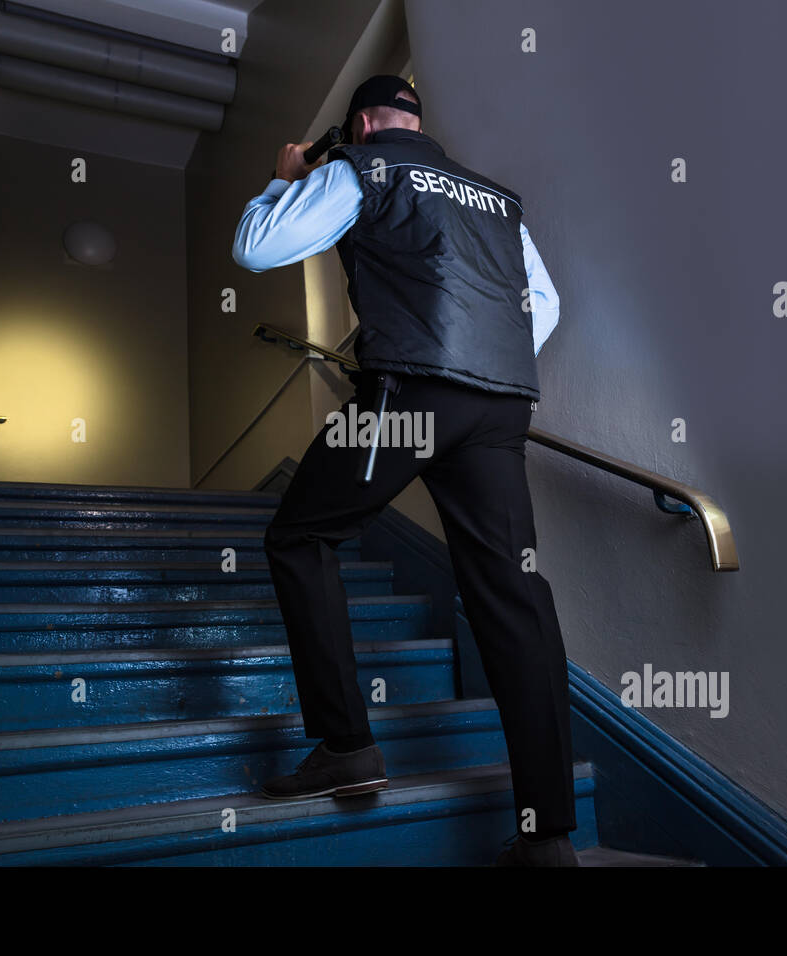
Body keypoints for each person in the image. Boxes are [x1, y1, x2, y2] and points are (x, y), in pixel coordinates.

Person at [231, 75, 577, 866]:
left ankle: (349, 746)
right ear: (418, 122)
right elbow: (544, 309)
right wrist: (475, 366)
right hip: (496, 407)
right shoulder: (496, 198)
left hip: (407, 395)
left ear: (360, 123)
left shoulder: (359, 168)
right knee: (512, 595)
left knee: (300, 535)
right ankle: (549, 836)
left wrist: (283, 180)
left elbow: (256, 248)